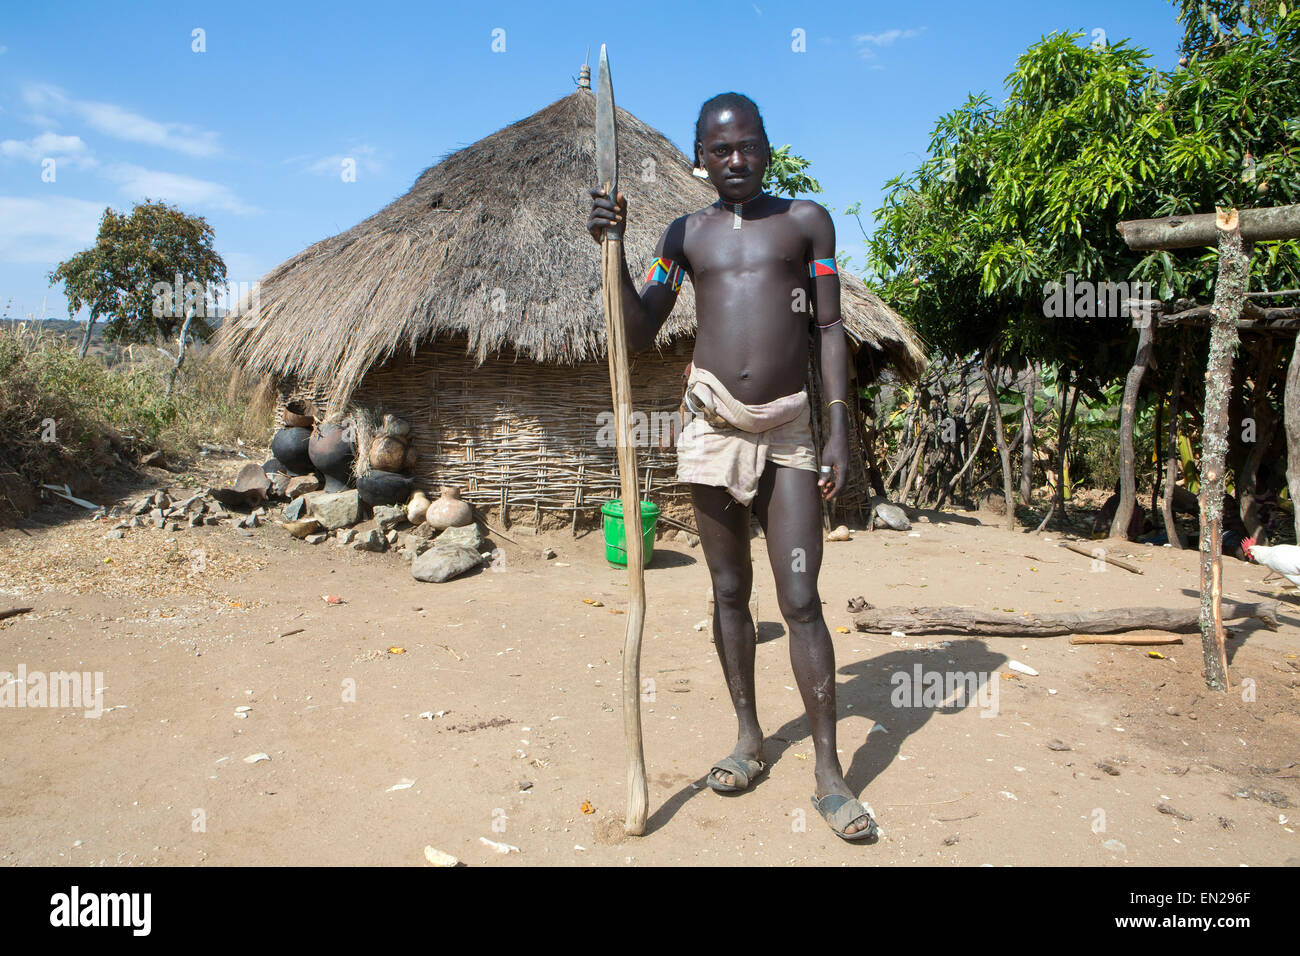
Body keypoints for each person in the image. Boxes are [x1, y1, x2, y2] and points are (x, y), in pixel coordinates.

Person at [586, 92, 875, 840]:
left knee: (802, 596)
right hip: (711, 428)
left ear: (768, 148)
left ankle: (829, 771)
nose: (736, 161)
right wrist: (613, 250)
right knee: (726, 588)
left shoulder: (806, 223)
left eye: (748, 146)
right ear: (700, 159)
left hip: (789, 428)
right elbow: (641, 325)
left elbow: (833, 327)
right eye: (721, 151)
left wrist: (840, 428)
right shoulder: (684, 236)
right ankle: (749, 738)